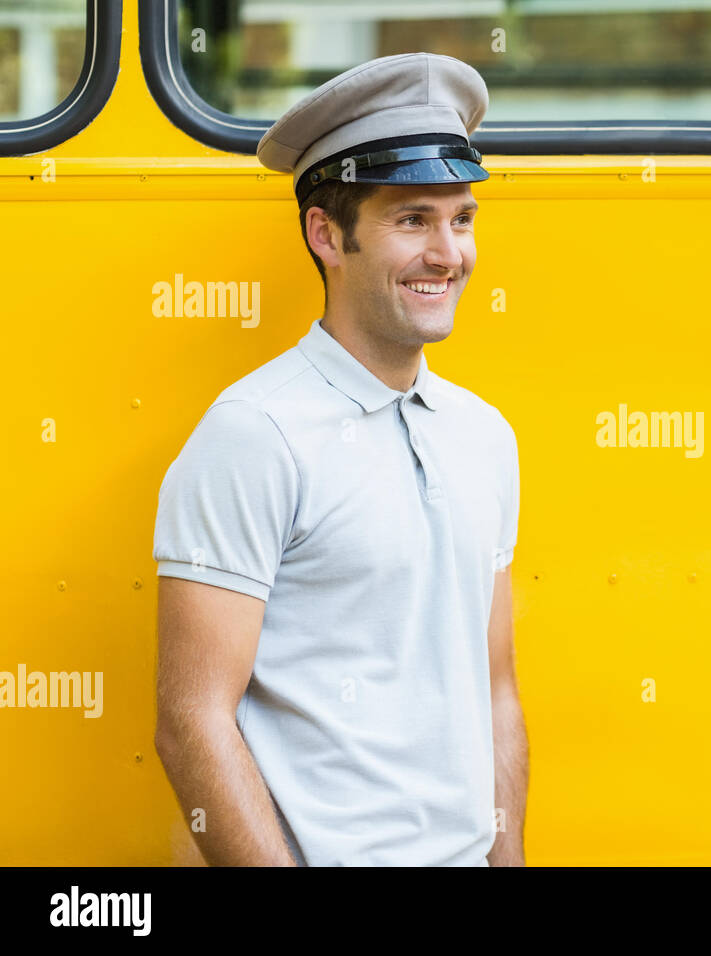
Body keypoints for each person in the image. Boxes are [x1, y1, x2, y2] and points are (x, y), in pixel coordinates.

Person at [151, 53, 526, 866]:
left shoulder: (484, 434)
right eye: (412, 220)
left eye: (461, 219)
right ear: (327, 235)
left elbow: (494, 690)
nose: (448, 253)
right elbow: (192, 722)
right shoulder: (254, 433)